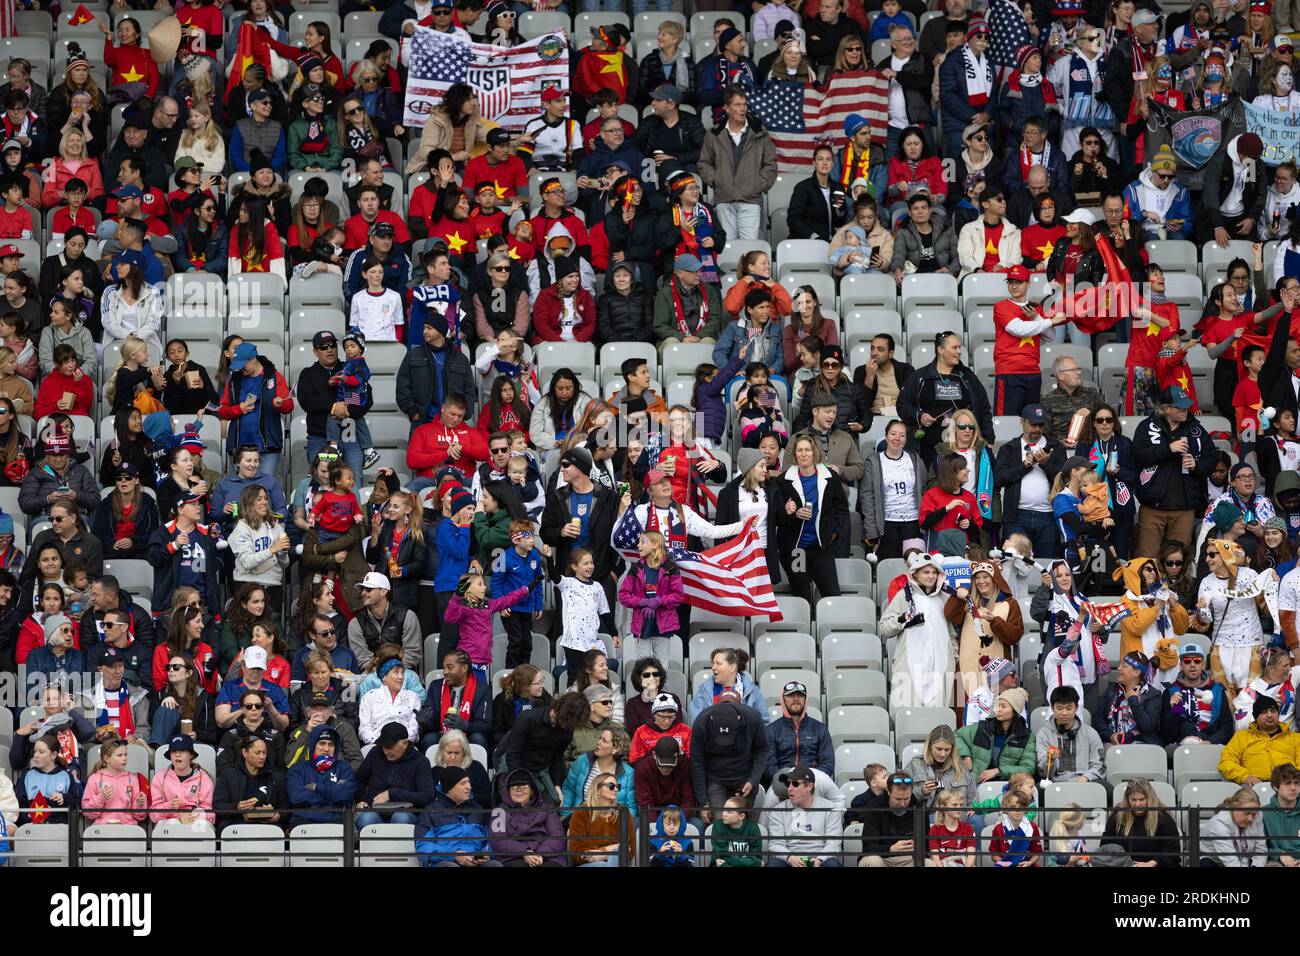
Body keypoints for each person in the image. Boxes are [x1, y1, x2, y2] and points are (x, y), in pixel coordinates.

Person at [1133, 386, 1218, 558]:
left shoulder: (1197, 430)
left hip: (1184, 510)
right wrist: (1168, 449)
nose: (1186, 410)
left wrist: (1196, 465)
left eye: (1187, 406)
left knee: (1178, 562)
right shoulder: (1146, 427)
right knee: (1147, 560)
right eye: (1180, 407)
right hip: (1152, 509)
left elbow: (1212, 460)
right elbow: (1137, 456)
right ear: (1167, 409)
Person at [698, 86, 776, 242]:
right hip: (724, 198)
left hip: (751, 199)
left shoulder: (760, 133)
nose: (743, 109)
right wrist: (717, 180)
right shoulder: (713, 134)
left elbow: (770, 165)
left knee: (749, 248)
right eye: (737, 105)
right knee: (727, 248)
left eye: (745, 105)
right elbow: (704, 163)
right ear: (727, 108)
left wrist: (758, 185)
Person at [996, 404, 1065, 560]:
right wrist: (1024, 466)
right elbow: (998, 479)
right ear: (1022, 422)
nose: (1037, 429)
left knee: (1047, 563)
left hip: (1048, 514)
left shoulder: (1056, 447)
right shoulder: (1008, 448)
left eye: (1041, 425)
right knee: (1013, 562)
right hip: (1017, 515)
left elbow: (1065, 481)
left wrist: (1046, 464)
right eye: (1033, 424)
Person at [216, 342, 293, 480]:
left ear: (253, 359)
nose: (240, 369)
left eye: (243, 365)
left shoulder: (274, 377)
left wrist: (279, 404)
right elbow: (222, 411)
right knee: (241, 490)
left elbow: (289, 405)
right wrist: (240, 408)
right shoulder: (235, 380)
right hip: (239, 447)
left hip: (267, 447)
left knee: (264, 488)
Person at [690, 687, 768, 820]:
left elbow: (762, 750)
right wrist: (703, 802)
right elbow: (697, 763)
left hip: (745, 778)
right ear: (713, 718)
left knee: (741, 822)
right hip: (715, 778)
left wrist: (753, 780)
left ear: (738, 718)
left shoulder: (753, 718)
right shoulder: (702, 722)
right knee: (721, 821)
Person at [354, 722, 435, 829]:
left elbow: (427, 797)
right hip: (374, 810)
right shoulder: (375, 753)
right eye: (384, 746)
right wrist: (361, 800)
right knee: (366, 818)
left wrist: (392, 794)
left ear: (405, 743)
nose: (386, 751)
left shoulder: (420, 762)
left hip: (406, 812)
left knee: (400, 818)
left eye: (390, 747)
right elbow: (358, 780)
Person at [415, 765, 500, 868]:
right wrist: (453, 855)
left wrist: (487, 854)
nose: (469, 787)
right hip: (445, 863)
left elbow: (492, 840)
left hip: (476, 863)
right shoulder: (431, 812)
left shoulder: (479, 811)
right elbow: (422, 846)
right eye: (463, 783)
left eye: (469, 782)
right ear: (449, 788)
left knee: (495, 864)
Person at [1160, 642, 1234, 755]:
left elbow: (1227, 728)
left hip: (1212, 744)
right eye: (1187, 661)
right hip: (1182, 747)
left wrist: (1210, 742)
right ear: (1181, 665)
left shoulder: (1217, 690)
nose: (1193, 665)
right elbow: (1167, 735)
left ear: (1203, 664)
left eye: (1197, 660)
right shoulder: (1171, 691)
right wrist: (1174, 711)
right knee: (1169, 752)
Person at [956, 688, 1035, 784]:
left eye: (1003, 706)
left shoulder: (1026, 736)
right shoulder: (983, 728)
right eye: (997, 705)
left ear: (1015, 711)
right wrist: (965, 756)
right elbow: (956, 735)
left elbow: (1028, 768)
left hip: (1009, 785)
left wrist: (998, 771)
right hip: (977, 782)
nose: (998, 709)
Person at [346, 572, 422, 671]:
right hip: (372, 675)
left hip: (404, 674)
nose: (363, 593)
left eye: (369, 589)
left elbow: (412, 654)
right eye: (362, 589)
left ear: (384, 591)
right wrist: (381, 672)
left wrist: (392, 672)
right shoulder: (356, 623)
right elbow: (362, 658)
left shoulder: (407, 616)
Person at [1219, 696, 1299, 786]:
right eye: (1264, 712)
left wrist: (1294, 779)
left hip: (1290, 785)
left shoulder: (1295, 738)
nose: (1269, 715)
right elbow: (1226, 762)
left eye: (1273, 711)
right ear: (1256, 717)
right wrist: (1245, 777)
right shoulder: (1241, 737)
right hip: (1253, 786)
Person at [764, 680, 834, 785]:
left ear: (805, 700)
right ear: (783, 699)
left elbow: (828, 763)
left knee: (838, 799)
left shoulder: (820, 729)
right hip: (782, 784)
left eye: (800, 695)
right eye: (791, 695)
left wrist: (807, 781)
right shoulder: (771, 731)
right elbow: (769, 766)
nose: (796, 699)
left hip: (812, 784)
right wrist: (788, 782)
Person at [213, 735, 286, 833]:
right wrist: (237, 807)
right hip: (235, 823)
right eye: (257, 753)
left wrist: (279, 814)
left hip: (267, 825)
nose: (262, 756)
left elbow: (285, 806)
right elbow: (218, 807)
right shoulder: (228, 774)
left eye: (264, 752)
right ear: (244, 753)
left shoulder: (276, 776)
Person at [859, 771, 928, 867]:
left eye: (906, 799)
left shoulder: (919, 809)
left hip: (909, 859)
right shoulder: (874, 808)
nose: (902, 804)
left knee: (929, 864)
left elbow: (926, 844)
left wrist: (917, 848)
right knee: (873, 861)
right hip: (881, 858)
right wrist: (891, 849)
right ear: (888, 791)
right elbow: (868, 847)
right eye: (898, 799)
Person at [149, 735, 215, 827]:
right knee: (173, 823)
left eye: (182, 751)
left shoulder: (203, 778)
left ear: (191, 755)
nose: (177, 755)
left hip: (195, 823)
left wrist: (200, 815)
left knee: (201, 824)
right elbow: (153, 815)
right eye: (174, 751)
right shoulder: (160, 777)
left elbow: (211, 815)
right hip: (169, 822)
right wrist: (169, 807)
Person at [358, 656, 421, 745]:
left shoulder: (413, 697)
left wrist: (402, 743)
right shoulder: (369, 697)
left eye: (402, 673)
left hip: (404, 746)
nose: (401, 677)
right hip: (376, 745)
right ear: (384, 676)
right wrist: (379, 743)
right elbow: (364, 728)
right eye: (396, 672)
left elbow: (414, 727)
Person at [1199, 786, 1268, 867]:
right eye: (1247, 813)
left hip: (1242, 859)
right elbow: (1231, 862)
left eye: (1254, 814)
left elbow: (1261, 849)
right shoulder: (1219, 824)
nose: (1250, 819)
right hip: (1213, 861)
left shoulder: (1258, 816)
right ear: (1234, 806)